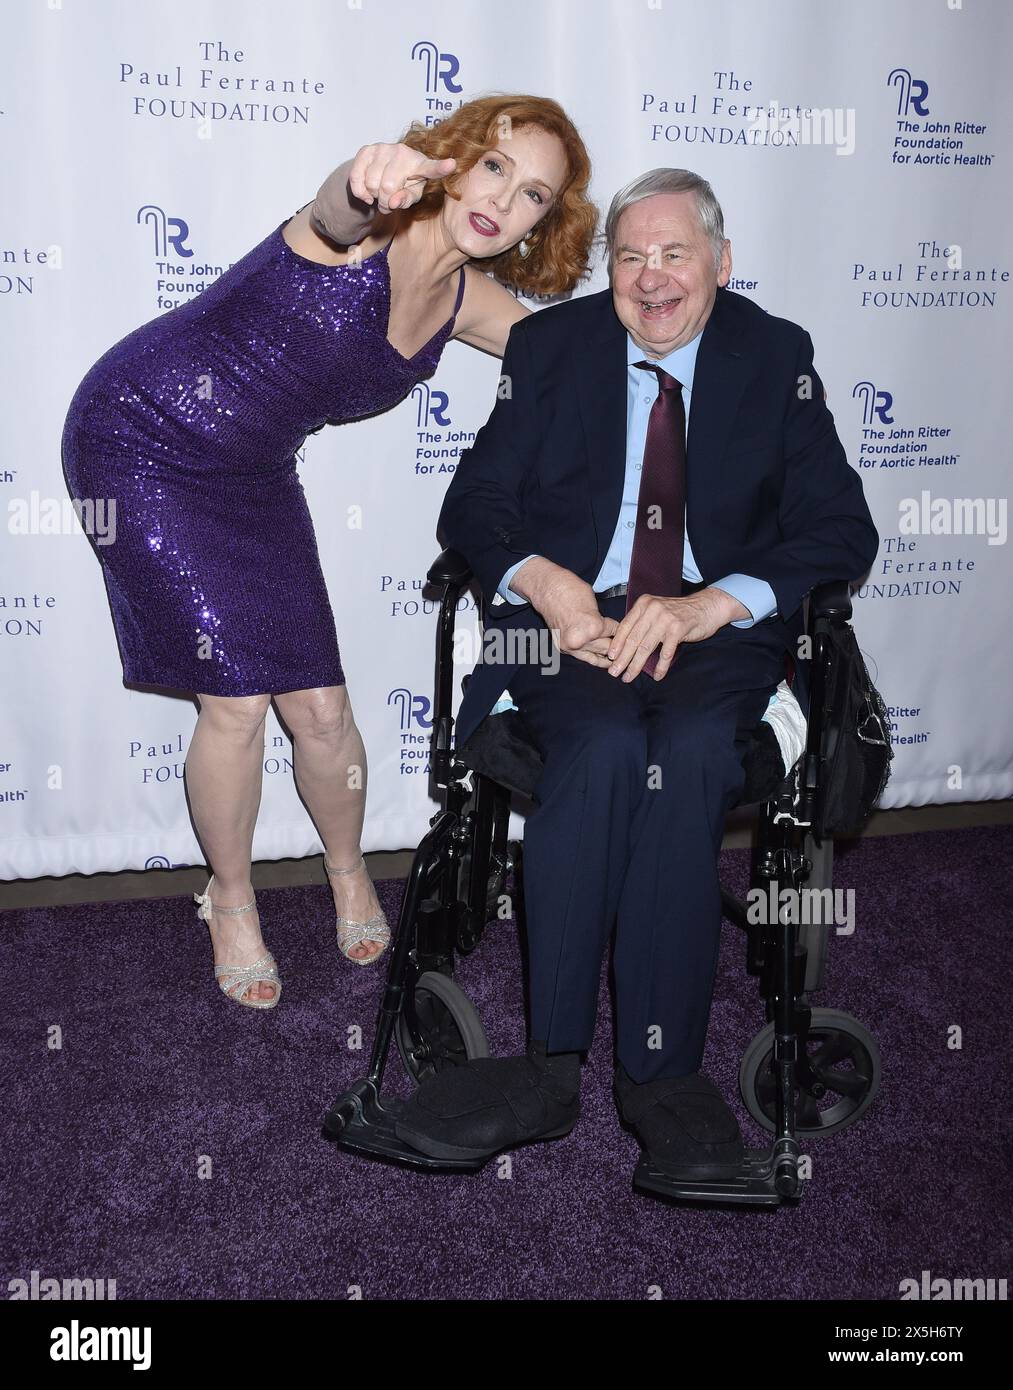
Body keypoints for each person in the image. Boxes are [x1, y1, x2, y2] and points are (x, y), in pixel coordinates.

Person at [393, 167, 879, 1180]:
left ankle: (660, 1079)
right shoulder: (547, 348)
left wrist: (712, 601)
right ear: (606, 267)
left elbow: (840, 526)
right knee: (605, 741)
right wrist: (550, 584)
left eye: (672, 255)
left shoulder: (773, 354)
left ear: (720, 263)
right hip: (569, 626)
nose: (649, 280)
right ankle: (549, 1065)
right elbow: (473, 505)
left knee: (694, 746)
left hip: (714, 629)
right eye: (627, 257)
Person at [61, 95, 597, 1008]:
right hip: (141, 439)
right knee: (235, 702)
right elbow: (330, 209)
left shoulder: (468, 298)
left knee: (320, 706)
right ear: (455, 158)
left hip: (253, 475)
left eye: (534, 196)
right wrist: (361, 180)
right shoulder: (365, 227)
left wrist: (672, 303)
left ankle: (346, 871)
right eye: (497, 167)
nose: (504, 200)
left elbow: (577, 358)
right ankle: (229, 901)